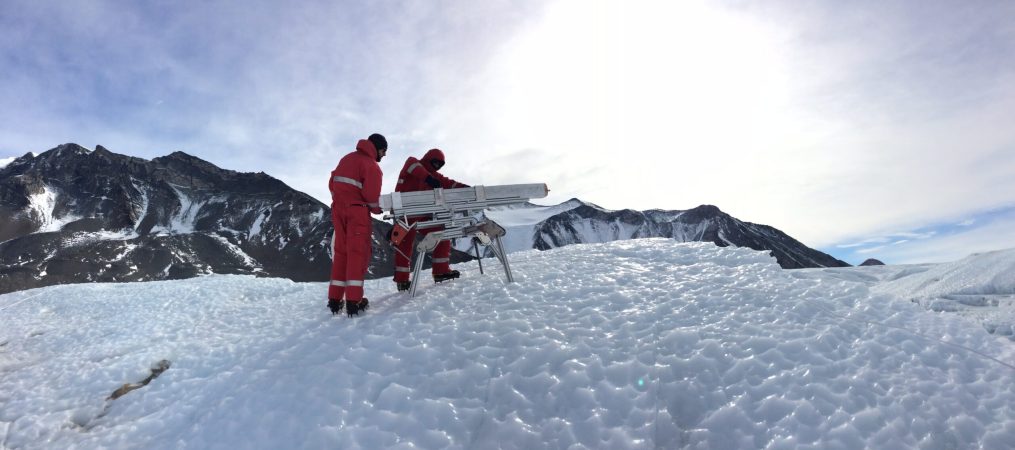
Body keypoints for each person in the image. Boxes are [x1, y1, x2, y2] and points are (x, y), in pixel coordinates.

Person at [391, 148, 469, 291]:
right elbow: (416, 168)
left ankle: (441, 270)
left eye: (440, 164)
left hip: (420, 215)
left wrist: (465, 189)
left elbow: (449, 183)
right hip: (405, 214)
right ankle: (402, 281)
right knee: (404, 245)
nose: (437, 166)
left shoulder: (435, 176)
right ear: (428, 159)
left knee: (440, 232)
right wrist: (429, 179)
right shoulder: (412, 163)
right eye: (435, 162)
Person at [328, 133, 386, 316]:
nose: (383, 156)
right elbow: (371, 197)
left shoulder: (347, 158)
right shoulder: (371, 166)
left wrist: (342, 199)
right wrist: (378, 210)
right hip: (356, 212)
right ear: (377, 148)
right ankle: (354, 301)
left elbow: (332, 182)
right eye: (383, 151)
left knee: (341, 253)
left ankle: (335, 300)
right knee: (356, 254)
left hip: (338, 210)